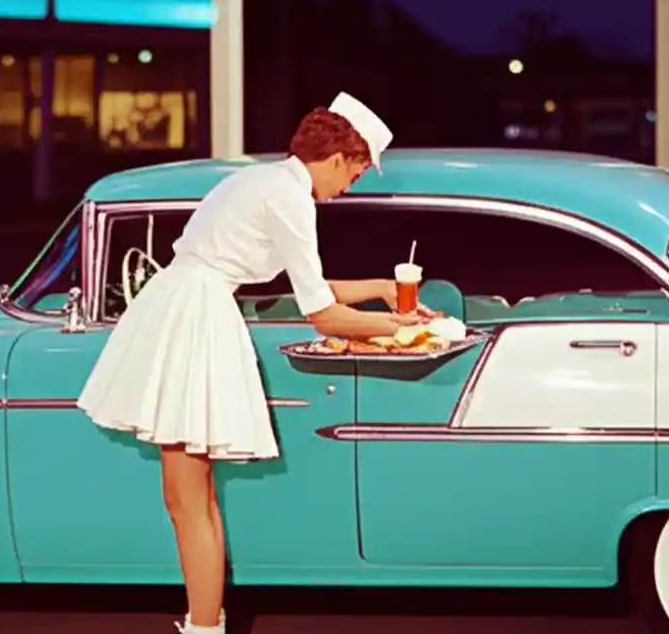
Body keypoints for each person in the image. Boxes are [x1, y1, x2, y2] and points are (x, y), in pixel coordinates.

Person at [76, 92, 427, 633]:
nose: (348, 188)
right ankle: (205, 625)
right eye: (355, 175)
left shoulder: (263, 181)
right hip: (193, 315)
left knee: (188, 499)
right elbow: (322, 315)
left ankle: (204, 625)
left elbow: (313, 288)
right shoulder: (291, 199)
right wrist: (399, 329)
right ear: (338, 158)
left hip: (180, 305)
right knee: (189, 499)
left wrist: (381, 289)